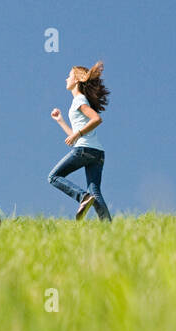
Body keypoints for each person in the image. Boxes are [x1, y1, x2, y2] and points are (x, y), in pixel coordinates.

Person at [47, 62, 112, 220]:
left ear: (76, 79)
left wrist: (78, 134)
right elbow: (76, 136)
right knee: (95, 192)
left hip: (85, 150)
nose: (66, 79)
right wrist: (61, 120)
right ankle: (108, 226)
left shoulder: (79, 100)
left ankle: (82, 197)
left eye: (69, 76)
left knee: (53, 177)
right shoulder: (79, 101)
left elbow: (96, 119)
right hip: (97, 152)